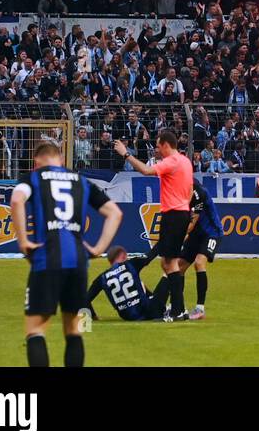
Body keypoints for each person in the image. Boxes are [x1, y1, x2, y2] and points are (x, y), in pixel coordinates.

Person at [10, 141, 123, 367]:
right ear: (61, 160)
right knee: (75, 330)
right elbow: (115, 213)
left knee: (35, 330)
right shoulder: (81, 181)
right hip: (79, 263)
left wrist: (23, 241)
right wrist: (99, 248)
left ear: (36, 162)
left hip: (46, 260)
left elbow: (16, 200)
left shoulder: (33, 178)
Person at [113, 128, 194, 321]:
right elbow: (190, 189)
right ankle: (177, 309)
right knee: (167, 262)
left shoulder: (172, 162)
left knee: (170, 262)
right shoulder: (185, 161)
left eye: (158, 147)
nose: (157, 151)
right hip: (181, 212)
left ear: (166, 145)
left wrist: (126, 153)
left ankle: (178, 310)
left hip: (173, 214)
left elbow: (146, 170)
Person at [176, 179, 222, 320]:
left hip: (212, 233)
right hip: (197, 234)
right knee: (179, 266)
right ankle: (178, 306)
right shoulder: (181, 190)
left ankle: (200, 309)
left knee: (199, 263)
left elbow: (191, 222)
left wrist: (177, 237)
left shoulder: (199, 193)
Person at [84, 247, 170, 322]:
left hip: (127, 316)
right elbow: (151, 254)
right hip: (151, 312)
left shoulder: (102, 278)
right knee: (170, 269)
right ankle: (175, 310)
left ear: (109, 261)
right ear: (124, 255)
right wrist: (164, 239)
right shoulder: (131, 264)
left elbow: (85, 299)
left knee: (139, 283)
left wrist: (94, 316)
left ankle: (162, 307)